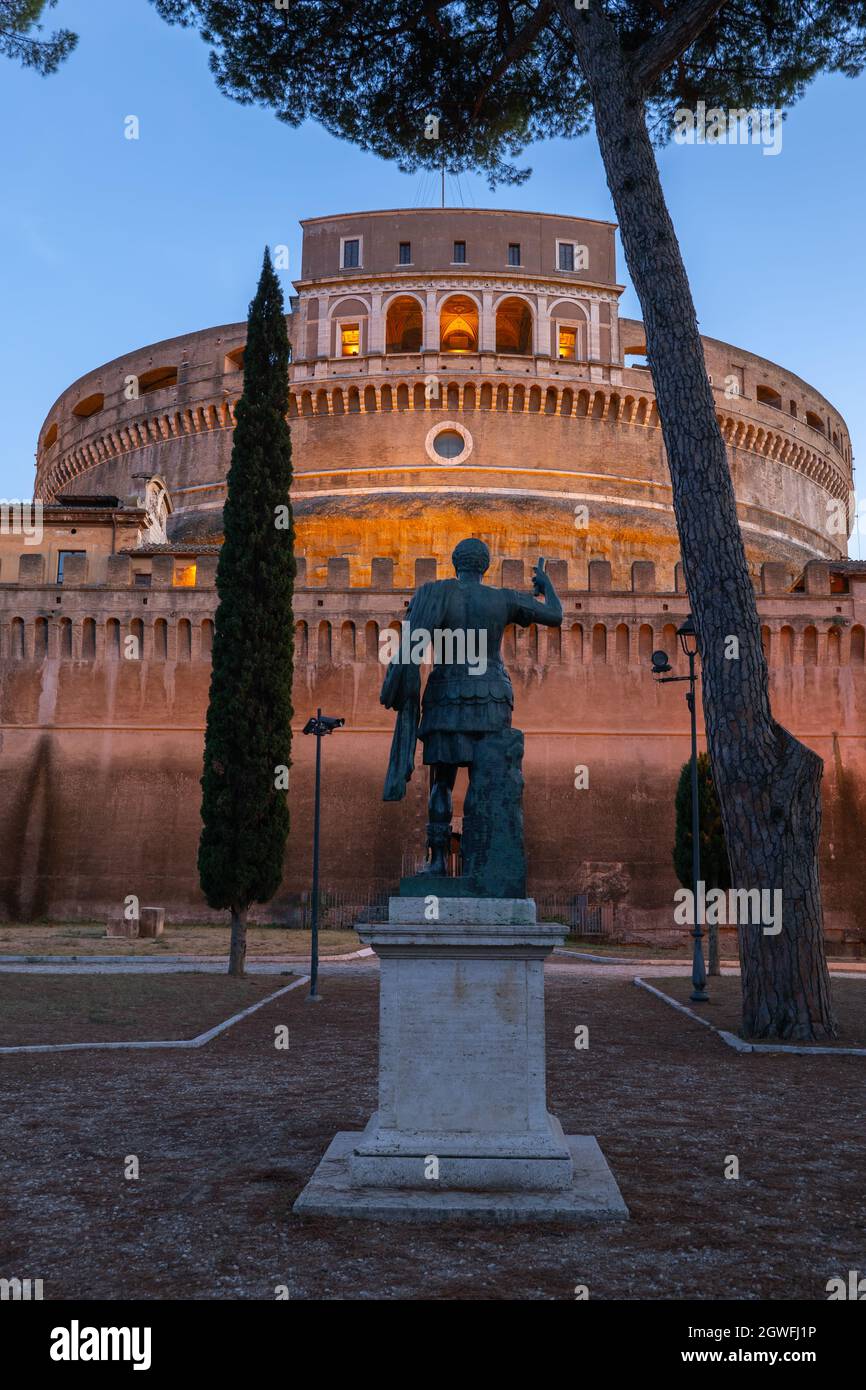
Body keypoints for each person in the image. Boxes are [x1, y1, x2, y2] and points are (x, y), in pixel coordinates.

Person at [381, 538, 563, 875]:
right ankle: (485, 862)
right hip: (493, 696)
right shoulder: (502, 599)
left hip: (446, 697)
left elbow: (413, 648)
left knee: (442, 782)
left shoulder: (436, 595)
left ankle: (437, 862)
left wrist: (398, 683)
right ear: (485, 566)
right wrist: (546, 584)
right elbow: (555, 615)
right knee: (490, 780)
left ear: (455, 563)